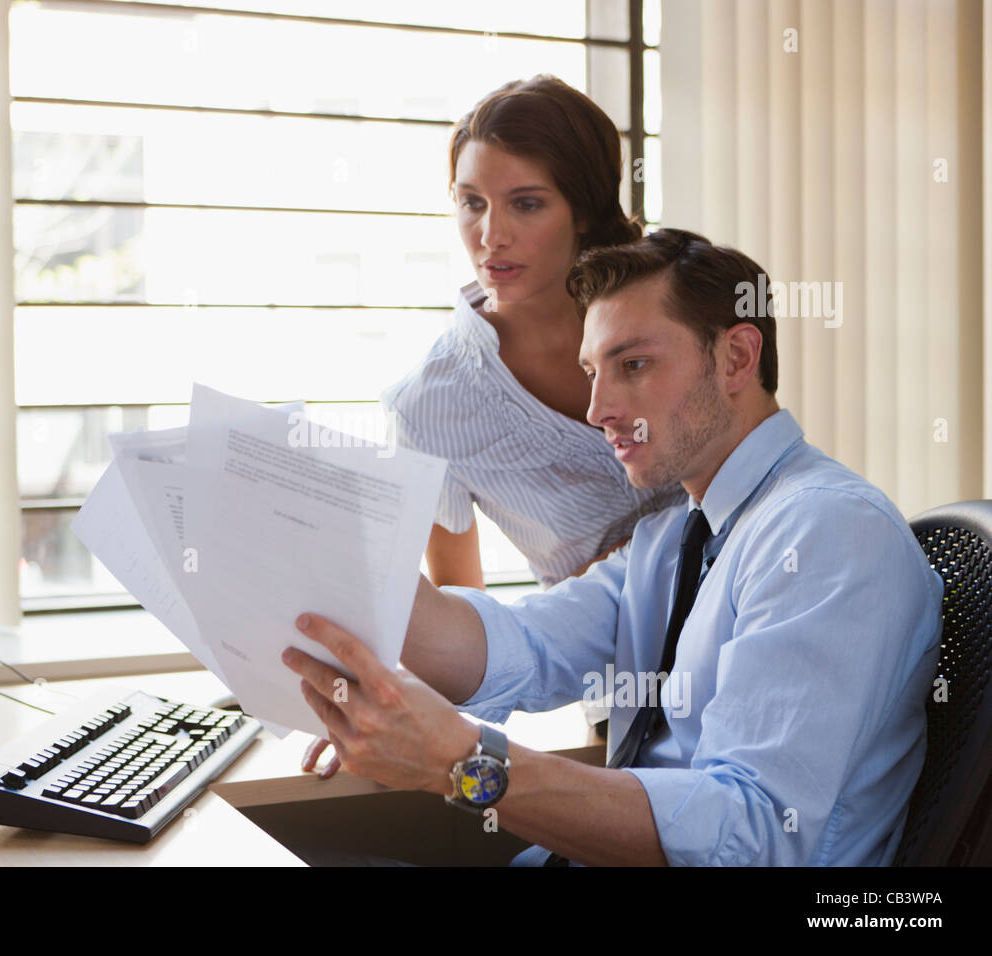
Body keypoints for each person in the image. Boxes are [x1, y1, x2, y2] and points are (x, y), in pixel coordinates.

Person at [282, 229, 944, 866]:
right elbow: (522, 645)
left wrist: (464, 763)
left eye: (633, 365)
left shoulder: (826, 532)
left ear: (737, 358)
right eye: (592, 372)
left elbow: (752, 837)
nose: (598, 408)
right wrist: (343, 545)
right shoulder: (677, 535)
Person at [302, 75, 683, 778]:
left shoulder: (670, 308)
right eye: (471, 203)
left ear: (585, 211)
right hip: (628, 684)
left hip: (754, 614)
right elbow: (460, 615)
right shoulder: (433, 403)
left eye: (526, 204)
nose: (491, 235)